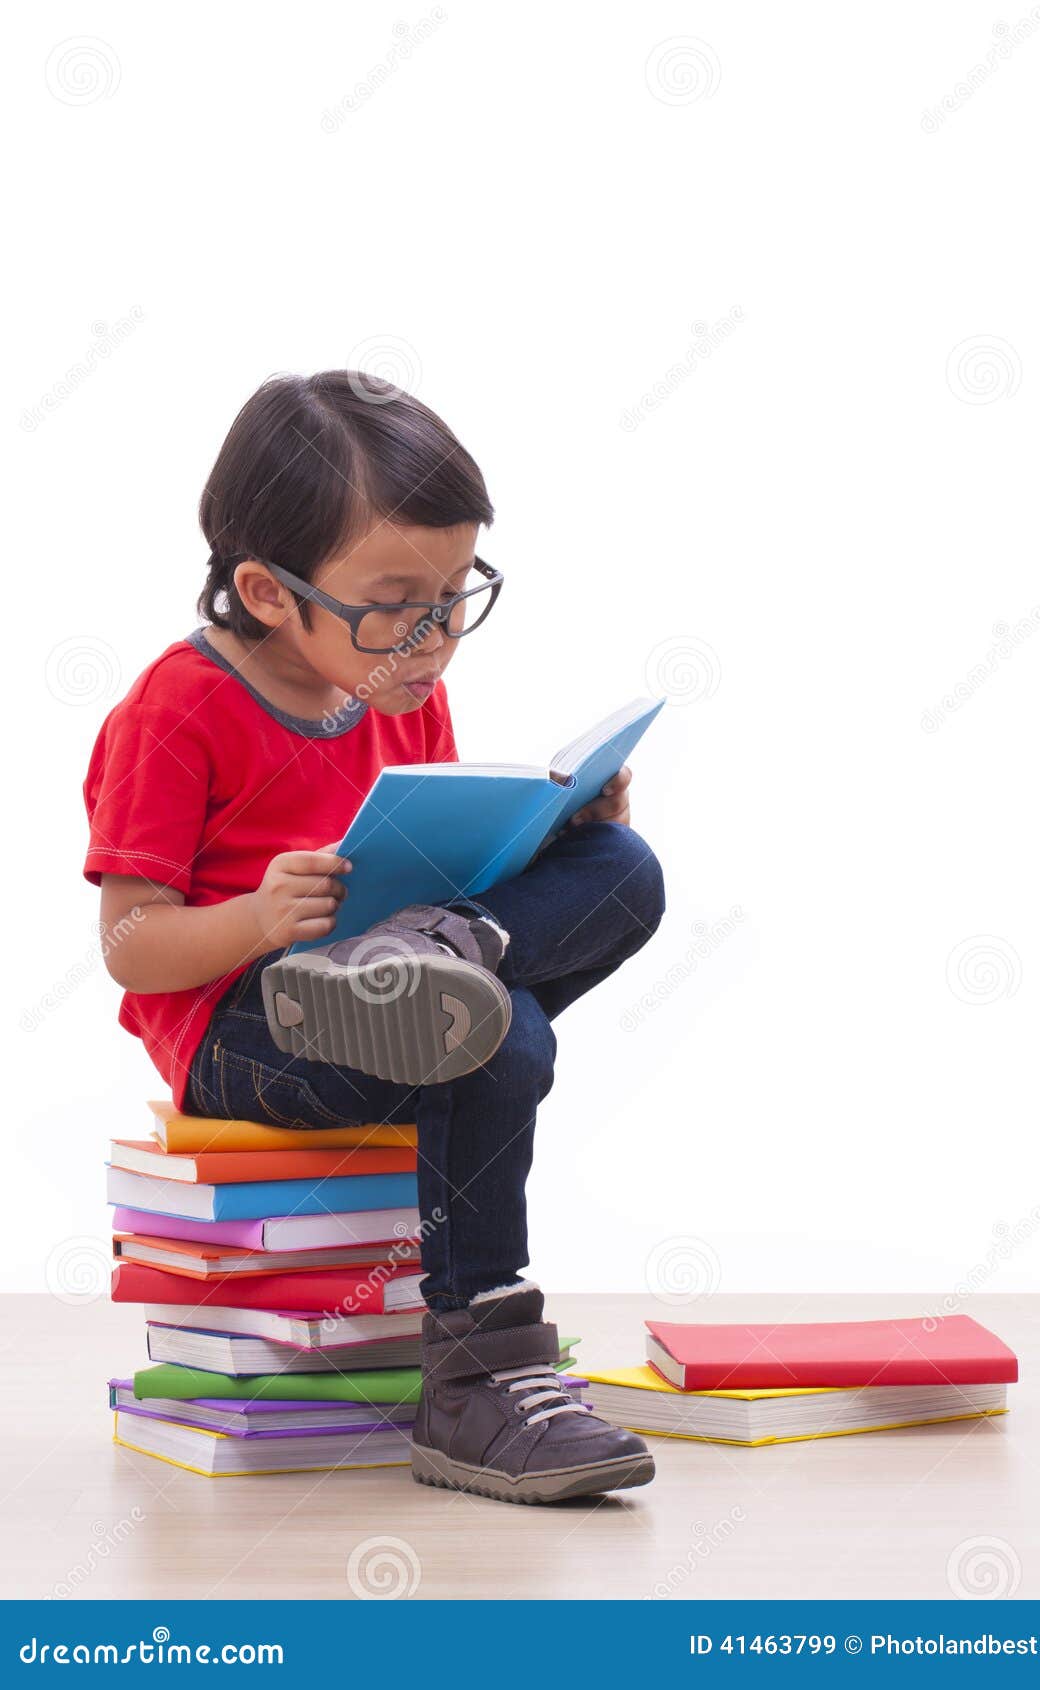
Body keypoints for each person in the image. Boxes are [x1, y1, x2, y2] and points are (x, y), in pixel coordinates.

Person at [83, 371, 666, 1503]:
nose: (437, 634)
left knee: (623, 872)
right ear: (265, 591)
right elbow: (127, 946)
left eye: (456, 594)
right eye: (398, 601)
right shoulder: (175, 712)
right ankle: (476, 1381)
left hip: (398, 970)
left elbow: (431, 844)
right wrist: (258, 919)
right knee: (496, 1042)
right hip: (242, 1024)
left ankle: (438, 953)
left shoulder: (395, 685)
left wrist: (553, 825)